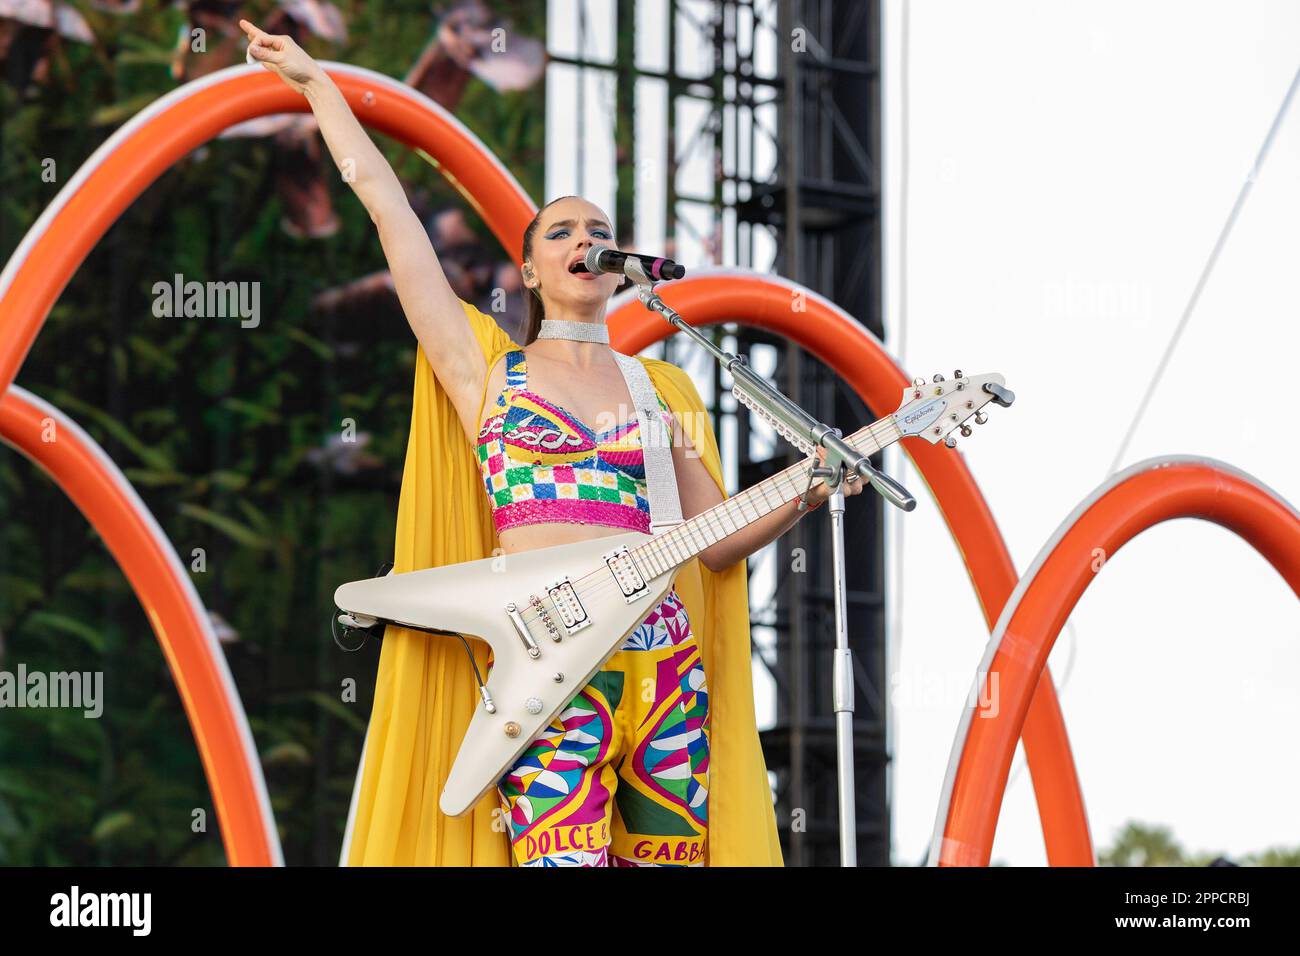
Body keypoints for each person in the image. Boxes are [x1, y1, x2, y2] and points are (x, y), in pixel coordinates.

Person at [240, 18, 863, 866]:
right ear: (528, 270)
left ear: (615, 267)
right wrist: (318, 88)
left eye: (595, 230)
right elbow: (390, 211)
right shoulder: (489, 373)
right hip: (552, 669)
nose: (583, 241)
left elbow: (720, 543)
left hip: (666, 668)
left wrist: (810, 487)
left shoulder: (660, 390)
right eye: (560, 232)